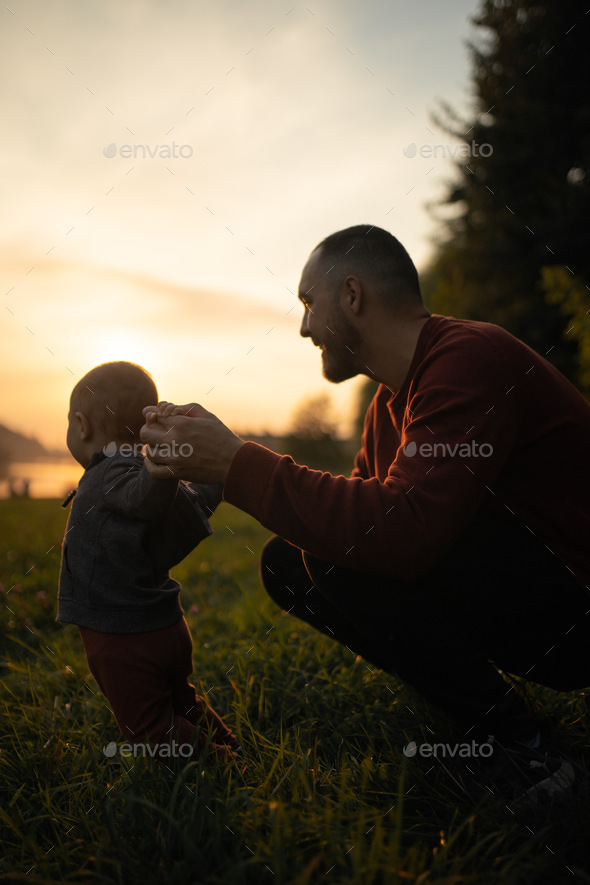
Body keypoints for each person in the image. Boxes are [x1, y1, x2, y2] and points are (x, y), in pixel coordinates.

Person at [140, 225, 590, 803]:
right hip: (536, 609)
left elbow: (396, 532)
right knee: (290, 563)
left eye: (308, 302)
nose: (303, 326)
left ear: (352, 295)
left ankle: (525, 749)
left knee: (352, 550)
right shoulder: (388, 405)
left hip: (577, 614)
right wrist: (205, 475)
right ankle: (474, 704)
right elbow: (343, 514)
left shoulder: (468, 357)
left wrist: (235, 462)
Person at [57, 360, 240, 763]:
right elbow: (194, 502)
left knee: (151, 729)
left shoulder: (113, 473)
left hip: (124, 636)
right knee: (179, 703)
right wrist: (220, 470)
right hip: (164, 628)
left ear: (82, 424)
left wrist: (163, 467)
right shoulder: (137, 470)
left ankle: (226, 766)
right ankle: (231, 745)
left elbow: (145, 498)